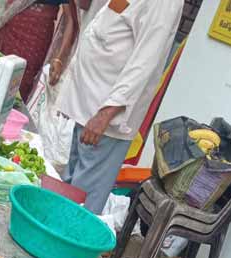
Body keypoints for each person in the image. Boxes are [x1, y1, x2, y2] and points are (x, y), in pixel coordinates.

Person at [53, 0, 183, 215]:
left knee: (82, 200)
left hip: (105, 117)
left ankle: (64, 244)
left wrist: (106, 113)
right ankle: (52, 239)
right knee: (70, 186)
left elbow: (144, 62)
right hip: (88, 107)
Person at [0, 1, 74, 100]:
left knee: (20, 82)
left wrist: (59, 59)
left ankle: (12, 112)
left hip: (34, 38)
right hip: (10, 27)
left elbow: (70, 21)